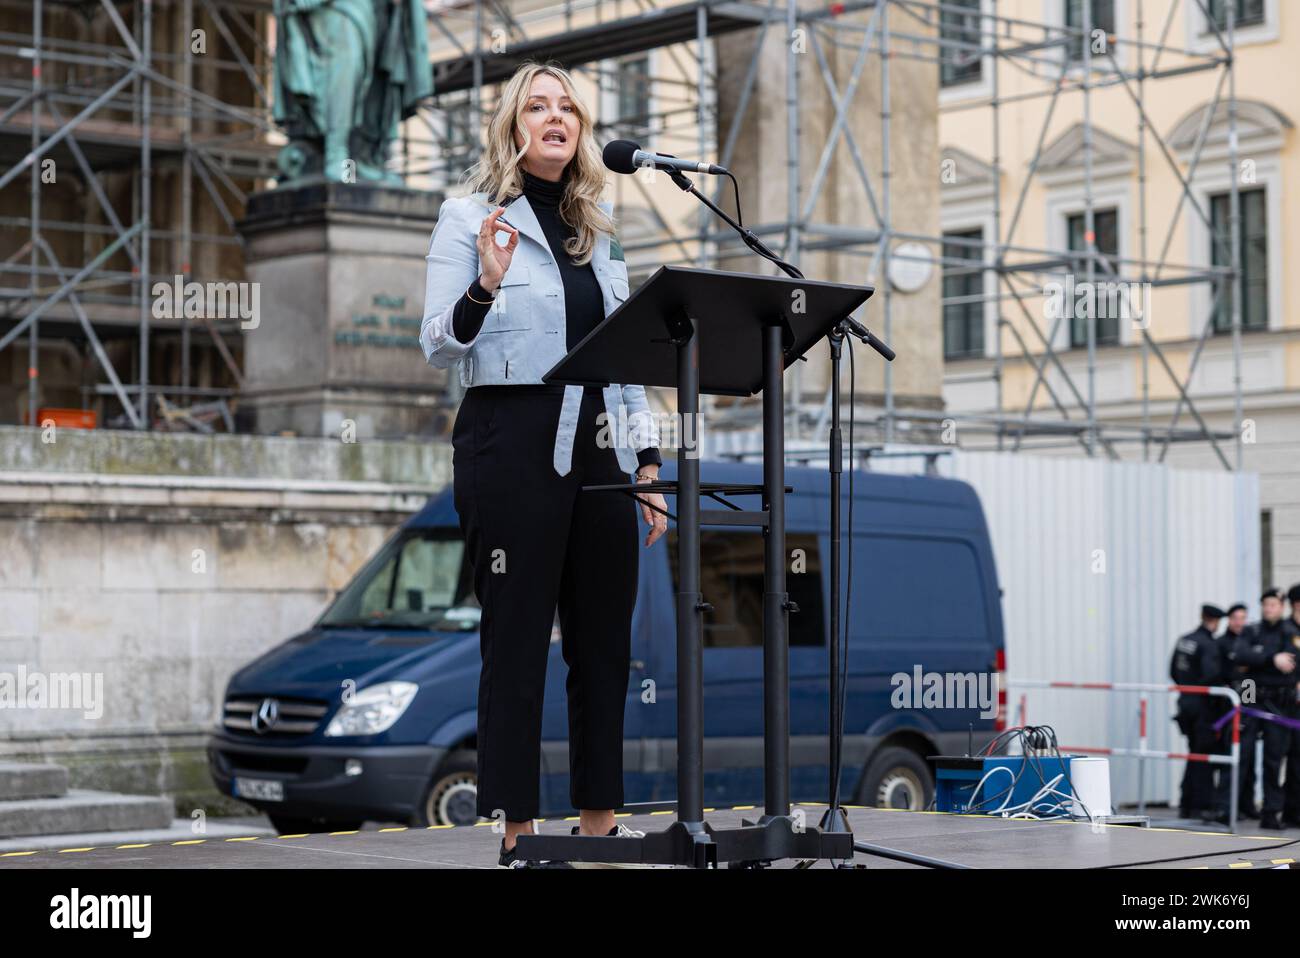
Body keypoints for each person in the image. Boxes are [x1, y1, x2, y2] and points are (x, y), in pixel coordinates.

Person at [420, 62, 669, 868]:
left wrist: (649, 465)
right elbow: (437, 343)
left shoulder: (598, 229)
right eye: (539, 105)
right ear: (512, 124)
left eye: (568, 107)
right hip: (510, 435)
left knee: (603, 644)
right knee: (518, 639)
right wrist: (486, 284)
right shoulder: (467, 216)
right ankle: (518, 832)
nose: (556, 117)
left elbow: (625, 360)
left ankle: (598, 827)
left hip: (598, 438)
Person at [1232, 589, 1297, 830]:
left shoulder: (1289, 632)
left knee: (1273, 759)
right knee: (1242, 752)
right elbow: (1239, 655)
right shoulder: (1252, 630)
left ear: (1281, 607)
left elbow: (1291, 664)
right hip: (1251, 694)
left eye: (1273, 604)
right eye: (1265, 604)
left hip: (1279, 701)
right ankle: (1230, 806)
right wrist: (1271, 659)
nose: (1269, 608)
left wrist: (1256, 660)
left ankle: (1271, 812)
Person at [1169, 604, 1227, 821]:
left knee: (1194, 753)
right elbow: (1211, 676)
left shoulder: (1185, 640)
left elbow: (1173, 671)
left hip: (1185, 703)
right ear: (1215, 621)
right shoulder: (1208, 644)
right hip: (1203, 706)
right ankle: (1200, 805)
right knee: (1203, 756)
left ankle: (1187, 802)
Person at [1221, 603, 1258, 818]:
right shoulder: (1221, 643)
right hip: (1227, 709)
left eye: (1243, 618)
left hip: (1248, 702)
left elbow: (1250, 674)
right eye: (1235, 618)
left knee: (1249, 758)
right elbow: (1222, 673)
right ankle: (1226, 807)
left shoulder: (1250, 640)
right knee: (1232, 758)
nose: (1239, 622)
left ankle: (1246, 804)